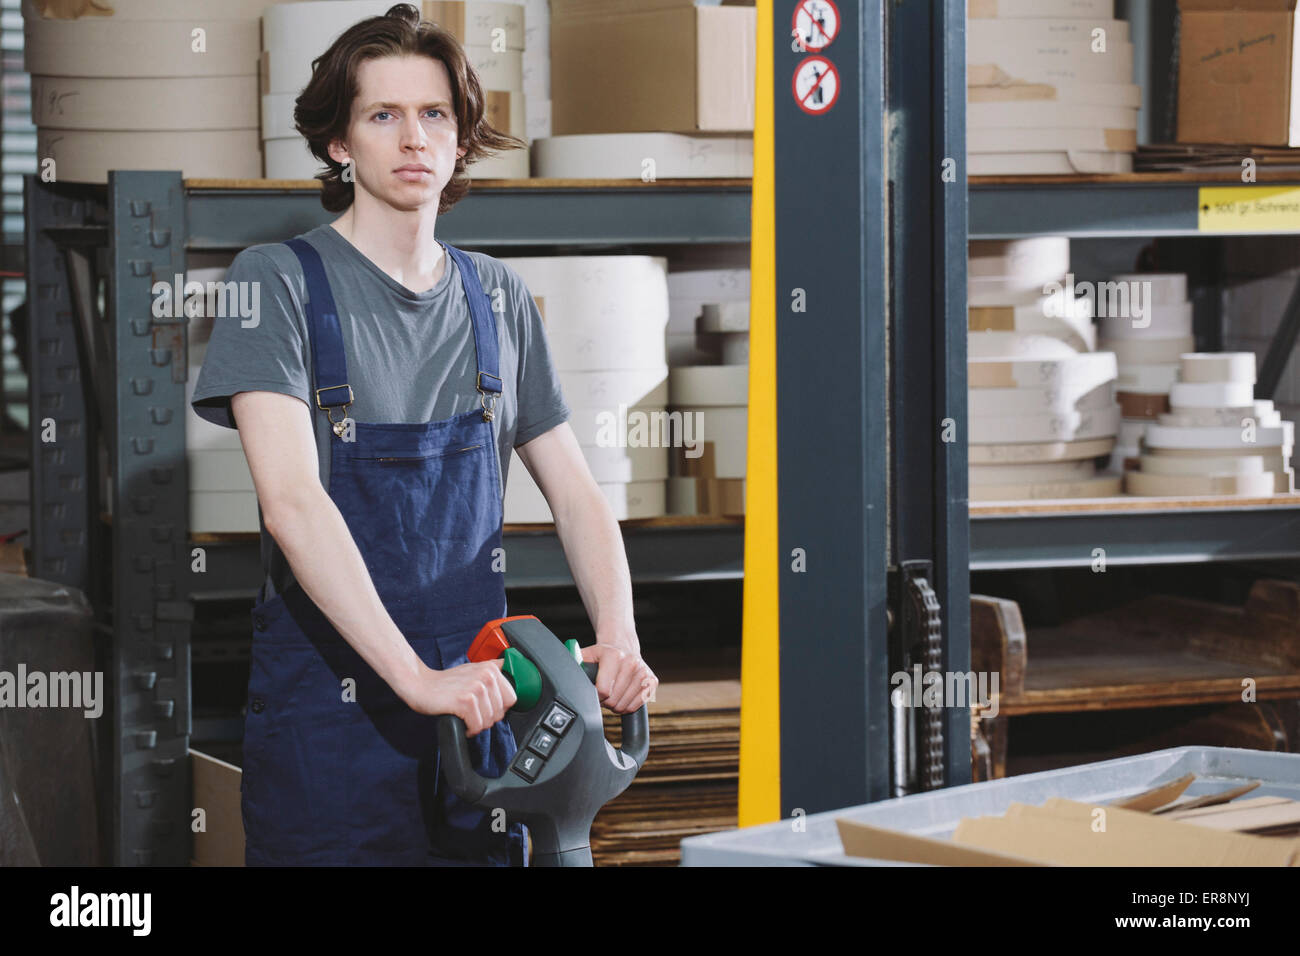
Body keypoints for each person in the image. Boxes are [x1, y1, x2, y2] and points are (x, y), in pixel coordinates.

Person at [190, 3, 658, 866]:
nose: (414, 138)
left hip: (476, 716)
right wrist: (414, 679)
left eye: (434, 113)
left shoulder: (498, 301)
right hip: (331, 729)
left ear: (460, 134)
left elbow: (578, 494)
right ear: (340, 144)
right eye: (383, 115)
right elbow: (294, 505)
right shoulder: (278, 286)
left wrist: (619, 636)